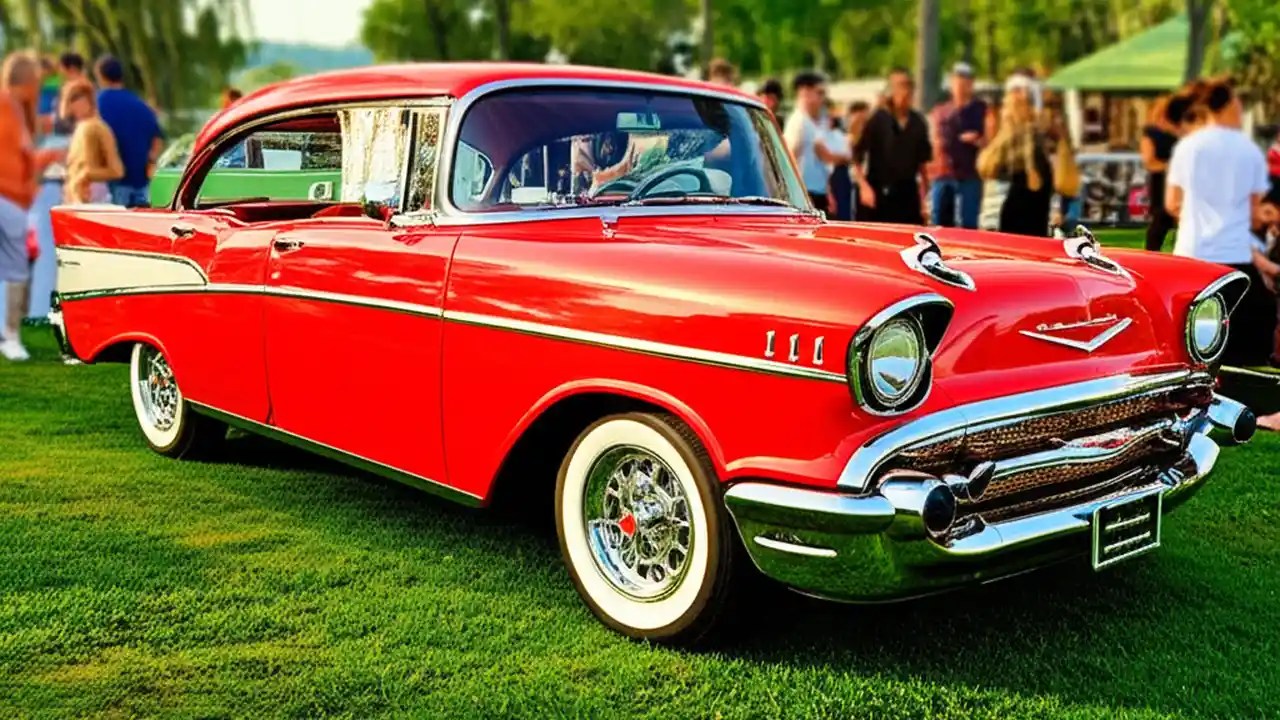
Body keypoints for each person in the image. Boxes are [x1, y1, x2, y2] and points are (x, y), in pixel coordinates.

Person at [1168, 78, 1279, 370]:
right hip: (1232, 256)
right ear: (1230, 106)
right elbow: (1253, 215)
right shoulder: (1249, 151)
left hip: (1191, 252)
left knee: (1190, 328)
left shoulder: (1187, 147)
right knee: (1253, 322)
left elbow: (1172, 204)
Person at [0, 52, 45, 361]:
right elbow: (26, 154)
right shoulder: (11, 107)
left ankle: (9, 336)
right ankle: (12, 336)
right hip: (10, 197)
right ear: (29, 82)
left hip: (11, 196)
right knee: (16, 269)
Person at [977, 75, 1053, 237]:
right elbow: (986, 167)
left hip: (1036, 201)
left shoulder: (1039, 129)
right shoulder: (1007, 134)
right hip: (1015, 199)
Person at [853, 68, 932, 224]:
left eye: (908, 86)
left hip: (908, 194)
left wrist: (925, 198)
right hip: (878, 194)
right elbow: (856, 158)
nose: (905, 91)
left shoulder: (918, 122)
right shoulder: (877, 119)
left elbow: (923, 164)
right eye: (900, 86)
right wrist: (864, 187)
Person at [95, 55, 163, 208]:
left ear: (100, 76)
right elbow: (157, 139)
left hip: (113, 182)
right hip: (142, 182)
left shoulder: (98, 104)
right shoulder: (140, 104)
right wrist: (150, 160)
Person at [928, 62, 987, 228]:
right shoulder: (940, 110)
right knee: (939, 223)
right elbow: (934, 142)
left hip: (969, 174)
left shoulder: (981, 109)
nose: (960, 87)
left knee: (968, 224)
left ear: (971, 85)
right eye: (957, 82)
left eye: (965, 82)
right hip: (943, 174)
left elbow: (991, 142)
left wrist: (977, 141)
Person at [784, 71, 849, 214]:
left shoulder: (814, 123)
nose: (822, 99)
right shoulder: (798, 122)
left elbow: (821, 164)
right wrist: (802, 195)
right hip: (805, 195)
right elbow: (789, 160)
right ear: (805, 93)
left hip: (818, 193)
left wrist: (828, 192)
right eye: (819, 93)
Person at [62, 80, 123, 204]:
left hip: (96, 202)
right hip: (76, 201)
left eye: (78, 98)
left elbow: (117, 170)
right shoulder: (79, 128)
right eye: (72, 99)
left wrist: (86, 174)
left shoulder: (99, 128)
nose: (74, 105)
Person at [1140, 96, 1179, 252]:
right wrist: (1170, 166)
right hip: (1161, 183)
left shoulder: (1181, 133)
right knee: (1159, 223)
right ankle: (1152, 254)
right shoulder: (1151, 134)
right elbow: (1149, 162)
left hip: (1179, 183)